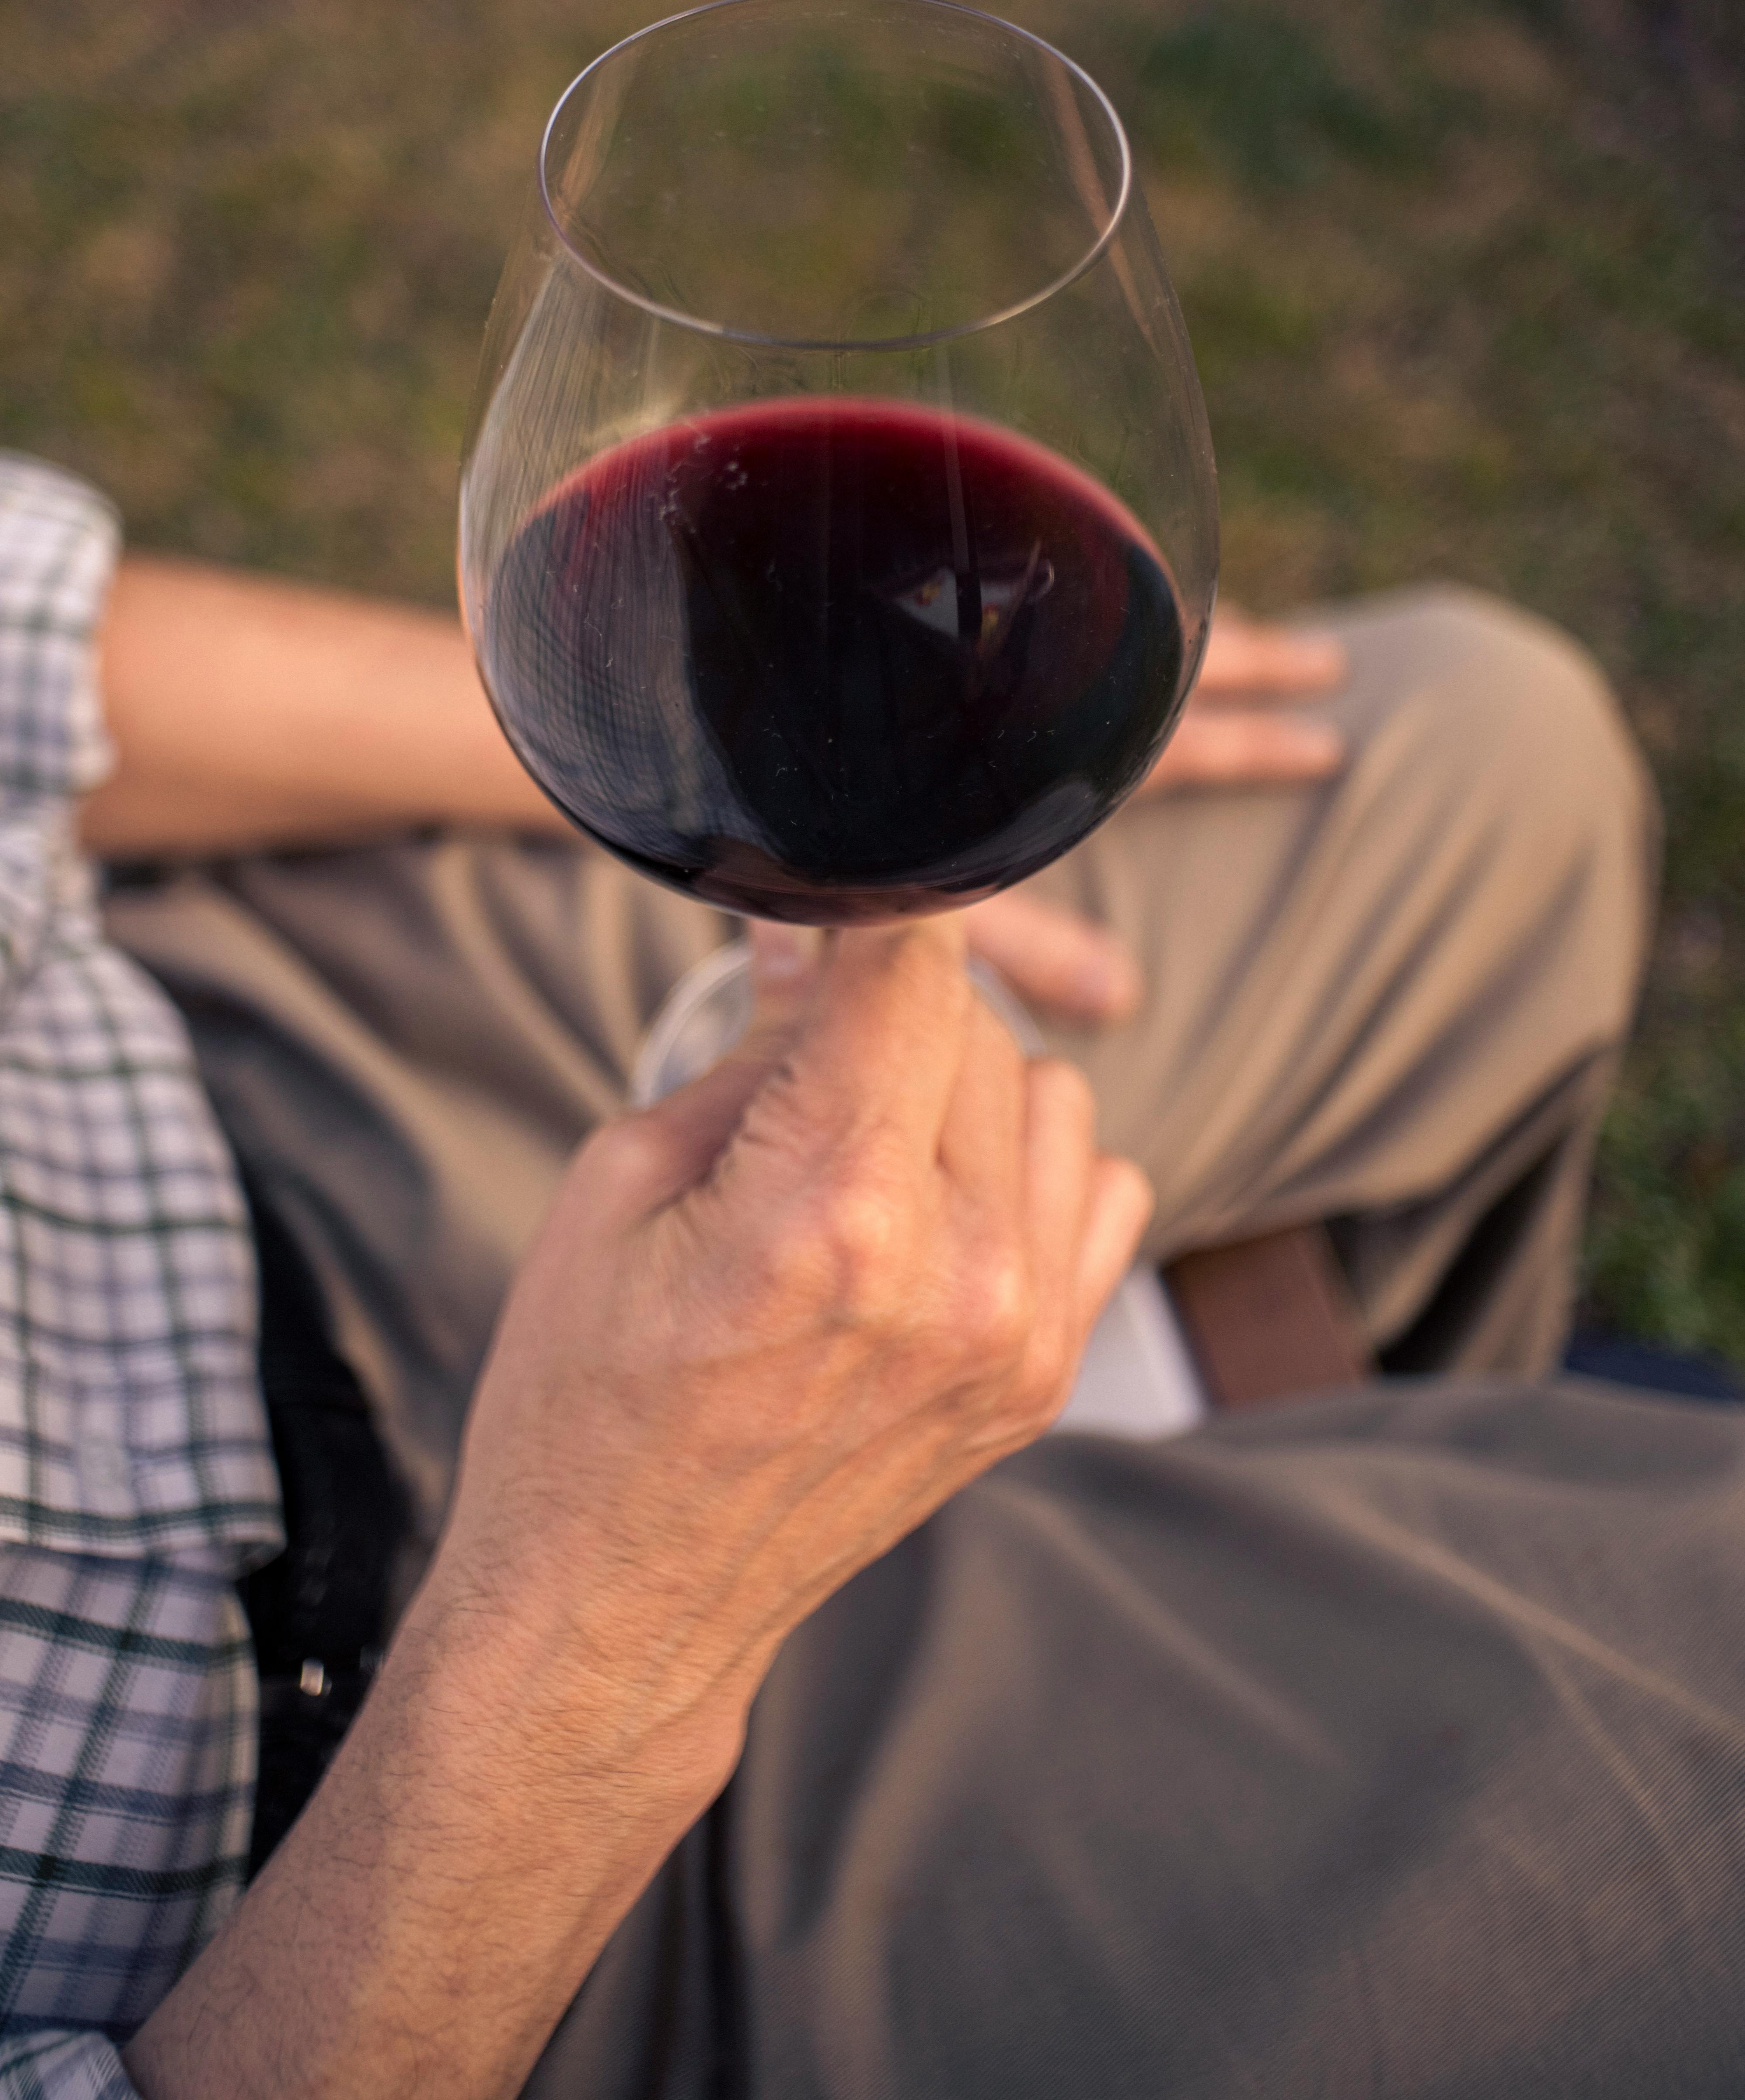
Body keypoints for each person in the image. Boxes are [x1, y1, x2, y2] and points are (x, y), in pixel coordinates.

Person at [1, 448, 1738, 2100]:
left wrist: (686, 748)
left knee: (1488, 757)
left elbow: (26, 634)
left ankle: (1331, 1503)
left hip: (240, 1065)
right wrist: (612, 1630)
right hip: (406, 1884)